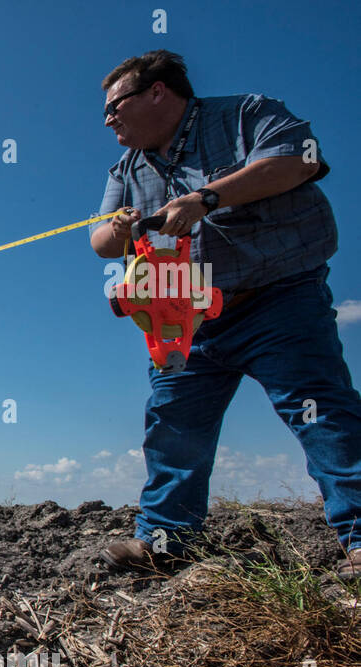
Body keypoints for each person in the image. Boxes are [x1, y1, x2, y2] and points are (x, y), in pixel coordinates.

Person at [88, 50, 361, 579]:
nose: (108, 120)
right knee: (172, 425)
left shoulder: (244, 114)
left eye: (114, 106)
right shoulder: (126, 168)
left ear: (157, 92)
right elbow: (100, 240)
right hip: (185, 319)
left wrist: (206, 197)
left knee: (319, 409)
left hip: (278, 298)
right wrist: (119, 229)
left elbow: (300, 159)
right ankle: (166, 542)